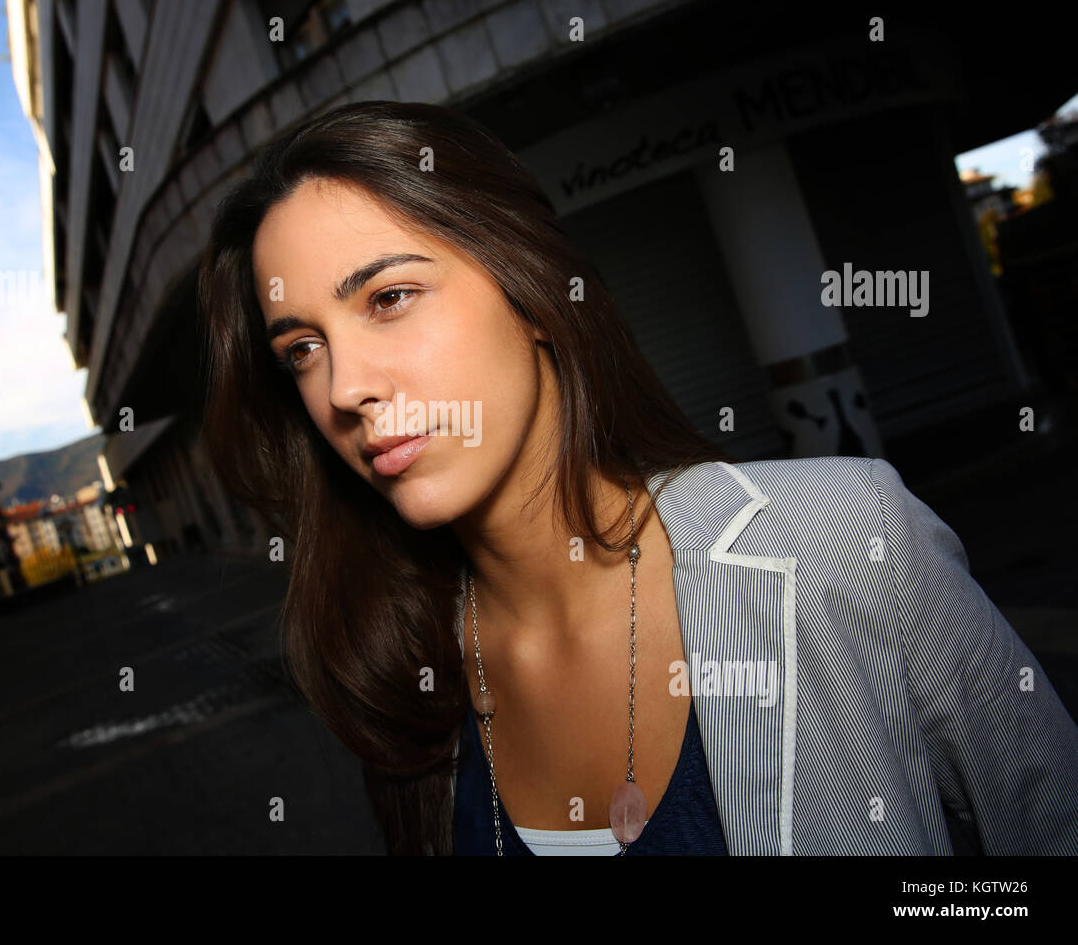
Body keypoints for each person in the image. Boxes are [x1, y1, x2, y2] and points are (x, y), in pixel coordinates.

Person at [197, 99, 1078, 856]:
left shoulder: (846, 539)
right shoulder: (402, 671)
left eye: (389, 298)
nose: (345, 387)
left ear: (533, 289)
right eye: (302, 349)